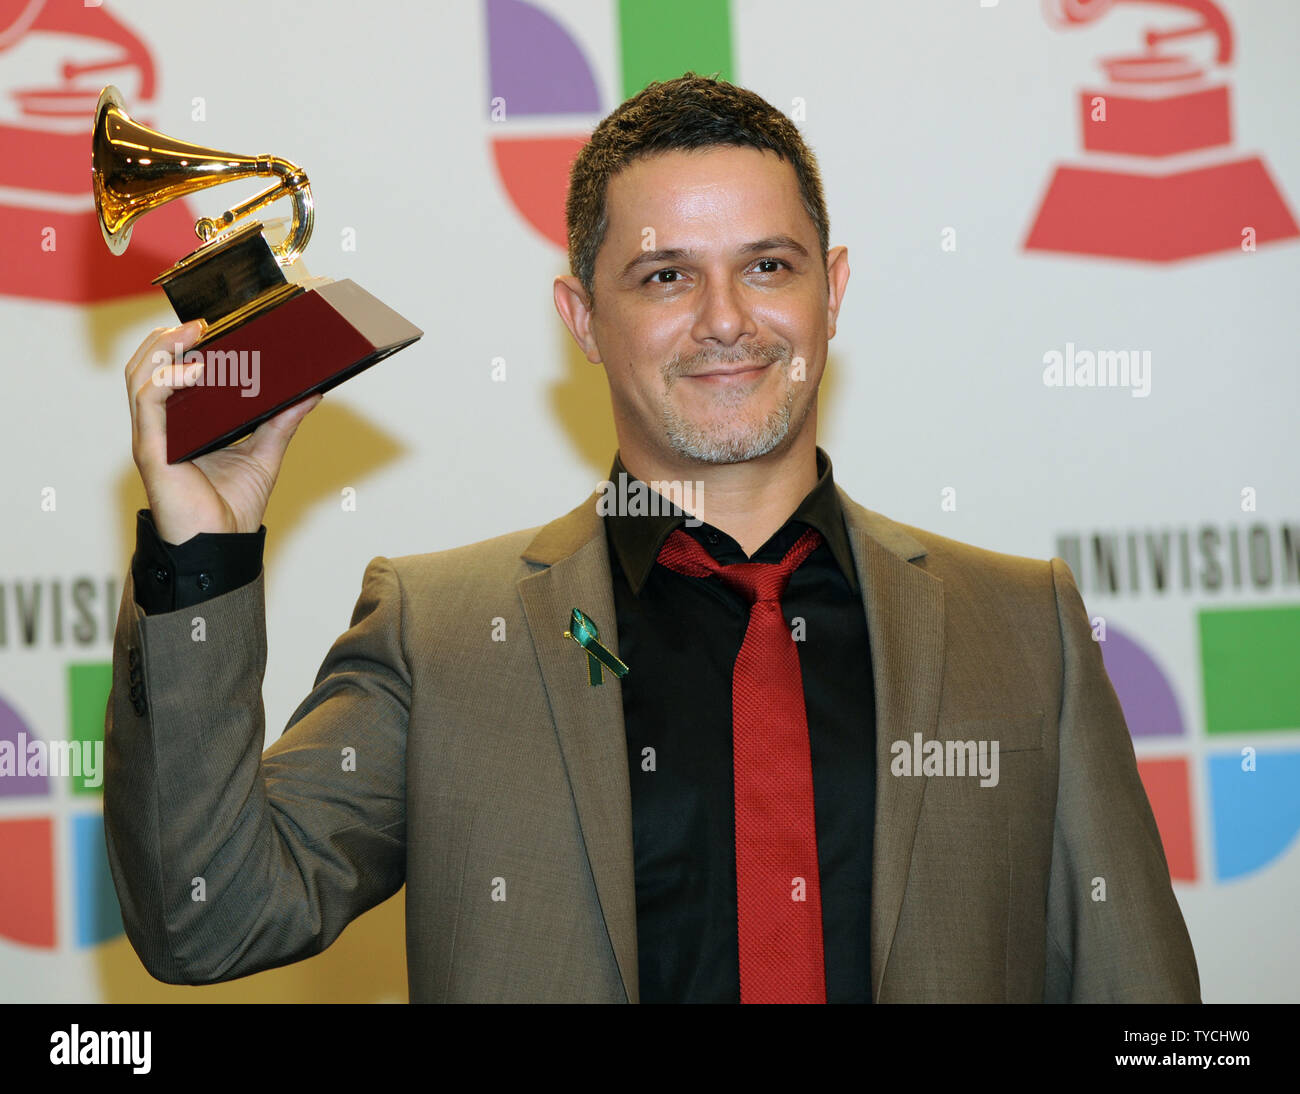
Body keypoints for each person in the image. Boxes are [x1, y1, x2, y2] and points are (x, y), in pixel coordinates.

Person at [104, 73, 1200, 1003]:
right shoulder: (442, 636)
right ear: (580, 317)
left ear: (835, 290)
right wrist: (201, 552)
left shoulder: (1023, 628)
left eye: (768, 265)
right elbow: (208, 919)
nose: (726, 318)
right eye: (666, 275)